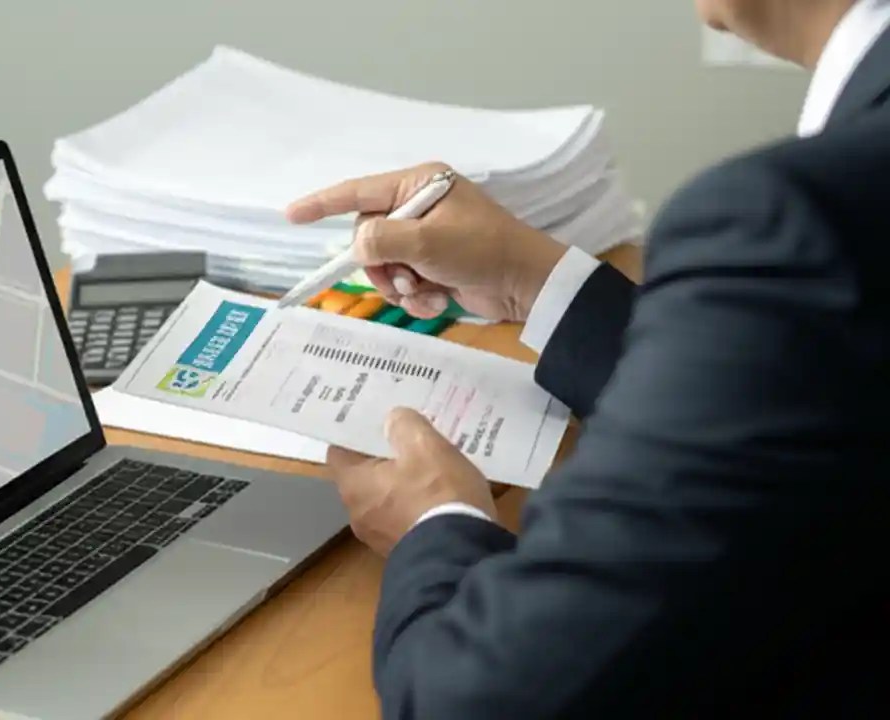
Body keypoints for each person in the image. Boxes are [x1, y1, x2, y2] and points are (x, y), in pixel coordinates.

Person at [284, 1, 890, 716]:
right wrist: (533, 280)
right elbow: (822, 393)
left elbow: (479, 700)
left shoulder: (794, 215)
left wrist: (433, 526)